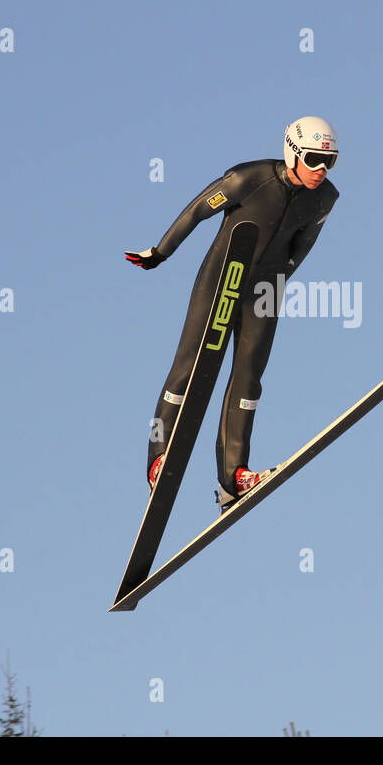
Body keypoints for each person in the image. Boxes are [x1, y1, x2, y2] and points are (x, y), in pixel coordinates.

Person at [125, 116, 340, 509]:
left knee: (249, 378)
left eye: (330, 162)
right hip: (220, 280)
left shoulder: (325, 198)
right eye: (313, 159)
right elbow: (196, 211)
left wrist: (275, 284)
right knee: (188, 368)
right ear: (292, 153)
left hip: (265, 289)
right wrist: (160, 252)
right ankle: (159, 458)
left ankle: (233, 478)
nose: (321, 170)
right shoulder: (248, 179)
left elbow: (301, 248)